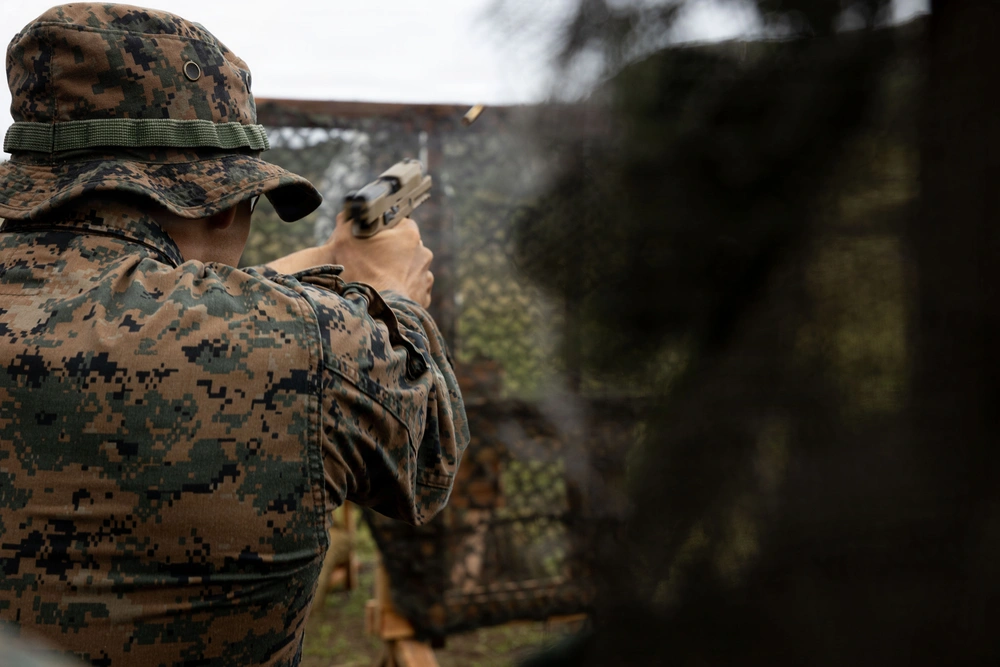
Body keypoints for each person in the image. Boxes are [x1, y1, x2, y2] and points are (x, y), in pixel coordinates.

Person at [0, 4, 468, 666]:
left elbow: (133, 304)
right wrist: (394, 299)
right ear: (222, 200)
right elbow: (428, 455)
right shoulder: (315, 347)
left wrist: (329, 259)